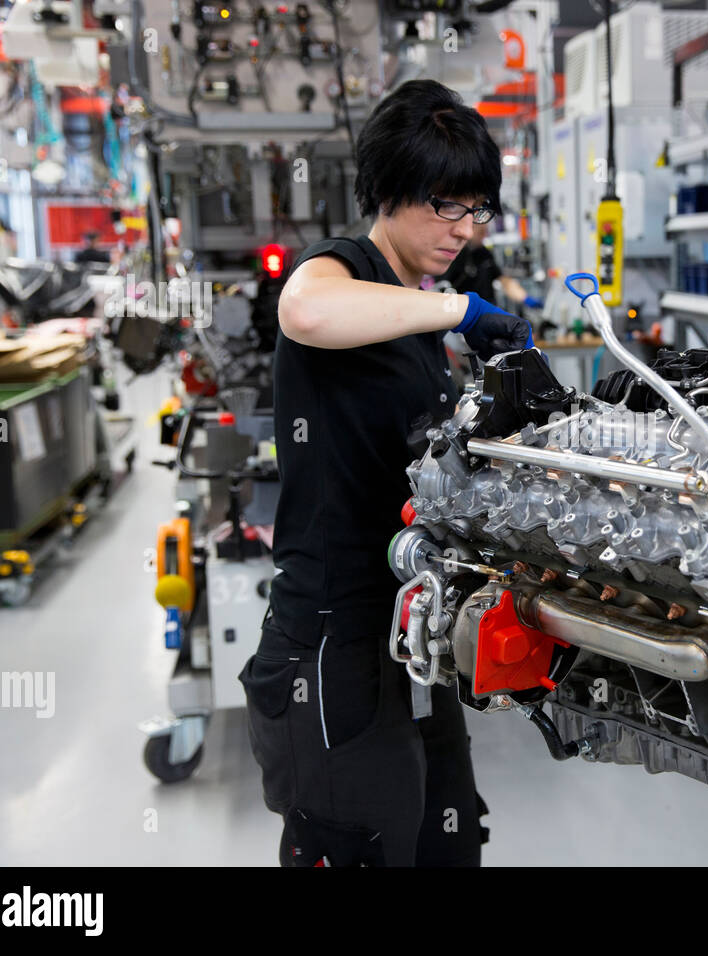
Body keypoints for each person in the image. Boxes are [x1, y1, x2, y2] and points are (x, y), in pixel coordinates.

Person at [239, 79, 531, 867]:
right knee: (364, 847)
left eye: (478, 210)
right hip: (332, 648)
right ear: (390, 189)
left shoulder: (411, 309)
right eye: (447, 206)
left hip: (413, 637)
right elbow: (303, 312)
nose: (465, 230)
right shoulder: (342, 270)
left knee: (450, 841)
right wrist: (462, 312)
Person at [439, 220, 532, 307]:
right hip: (465, 312)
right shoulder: (454, 255)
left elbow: (504, 280)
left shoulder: (484, 253)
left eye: (485, 231)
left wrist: (525, 298)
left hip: (486, 308)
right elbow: (443, 289)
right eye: (481, 232)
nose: (484, 236)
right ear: (469, 230)